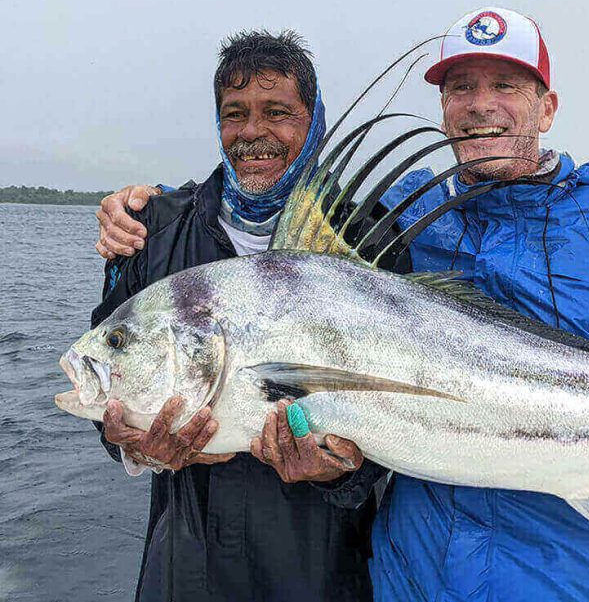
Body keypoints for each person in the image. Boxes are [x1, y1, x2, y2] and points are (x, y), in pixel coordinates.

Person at [99, 11, 589, 601]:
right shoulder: (405, 215)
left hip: (571, 570)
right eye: (461, 88)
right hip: (417, 570)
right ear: (442, 109)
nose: (480, 104)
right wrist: (147, 207)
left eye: (506, 84)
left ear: (548, 105)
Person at [92, 30, 385, 602]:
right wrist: (128, 441)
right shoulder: (153, 229)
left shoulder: (365, 235)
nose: (253, 133)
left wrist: (342, 472)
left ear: (313, 122)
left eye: (278, 112)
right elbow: (107, 374)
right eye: (235, 114)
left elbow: (407, 402)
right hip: (185, 567)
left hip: (323, 569)